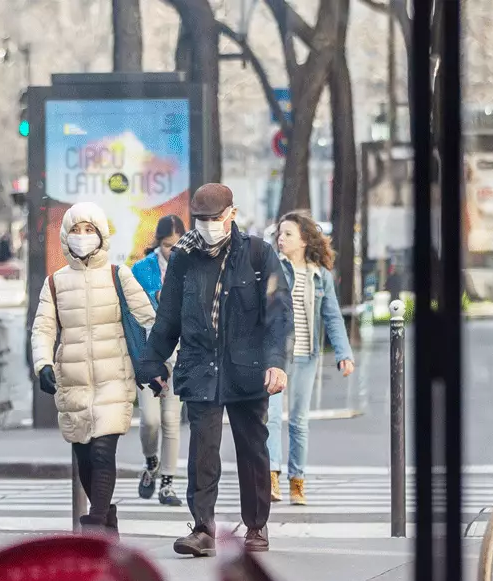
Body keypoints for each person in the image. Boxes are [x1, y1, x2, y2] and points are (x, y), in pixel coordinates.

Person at [137, 183, 290, 556]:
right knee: (203, 450)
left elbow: (279, 315)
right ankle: (203, 528)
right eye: (201, 219)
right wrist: (153, 360)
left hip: (248, 367)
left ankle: (256, 526)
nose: (208, 225)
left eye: (215, 218)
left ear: (231, 215)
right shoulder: (184, 258)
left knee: (252, 447)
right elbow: (169, 315)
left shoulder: (257, 254)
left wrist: (276, 362)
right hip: (200, 366)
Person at [31, 202, 156, 536]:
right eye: (76, 230)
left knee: (103, 451)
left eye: (89, 230)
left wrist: (157, 359)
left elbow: (149, 317)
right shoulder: (55, 283)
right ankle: (107, 517)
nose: (82, 237)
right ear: (65, 236)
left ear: (102, 236)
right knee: (85, 455)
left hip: (114, 378)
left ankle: (95, 522)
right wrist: (42, 363)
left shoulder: (119, 275)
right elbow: (43, 328)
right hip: (73, 381)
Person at [267, 211, 355, 505]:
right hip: (277, 356)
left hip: (306, 356)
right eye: (280, 233)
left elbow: (332, 316)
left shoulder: (320, 276)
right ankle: (271, 477)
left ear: (304, 240)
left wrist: (343, 353)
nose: (282, 238)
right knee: (271, 418)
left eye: (288, 234)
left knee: (299, 422)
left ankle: (297, 482)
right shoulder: (273, 268)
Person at [129, 214, 187, 506]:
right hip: (149, 353)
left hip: (181, 353)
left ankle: (167, 483)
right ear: (158, 243)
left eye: (177, 245)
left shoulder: (191, 266)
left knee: (171, 420)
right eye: (166, 245)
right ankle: (151, 462)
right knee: (150, 419)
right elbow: (131, 313)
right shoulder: (141, 270)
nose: (172, 251)